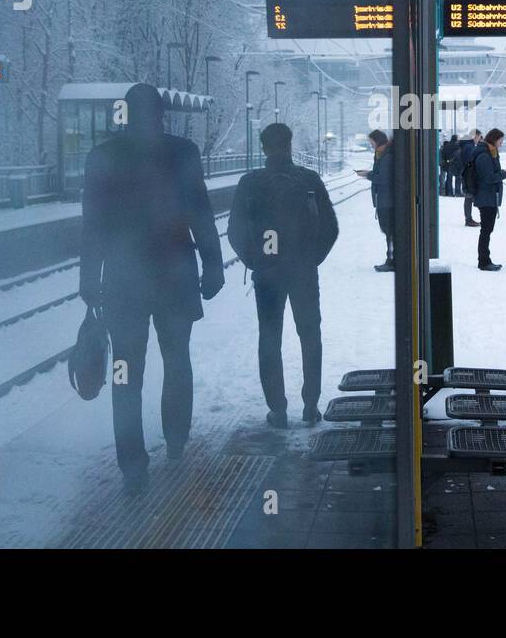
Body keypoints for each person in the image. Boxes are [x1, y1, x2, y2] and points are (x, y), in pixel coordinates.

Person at [79, 83, 225, 494]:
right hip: (175, 274)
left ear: (124, 113)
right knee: (177, 359)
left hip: (124, 280)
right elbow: (200, 210)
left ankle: (132, 463)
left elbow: (92, 224)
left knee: (126, 370)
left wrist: (89, 280)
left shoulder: (103, 156)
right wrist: (212, 264)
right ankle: (176, 439)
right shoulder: (183, 152)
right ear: (163, 115)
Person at [229, 123, 338, 428]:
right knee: (309, 335)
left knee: (269, 337)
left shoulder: (250, 182)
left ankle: (277, 409)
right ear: (290, 145)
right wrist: (311, 258)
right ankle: (311, 405)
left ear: (264, 148)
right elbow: (331, 228)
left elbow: (235, 230)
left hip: (267, 274)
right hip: (303, 272)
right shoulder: (309, 179)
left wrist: (255, 261)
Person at [470, 128, 506, 270]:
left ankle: (484, 259)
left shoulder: (491, 153)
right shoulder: (484, 155)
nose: (502, 143)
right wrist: (504, 173)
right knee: (486, 231)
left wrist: (501, 173)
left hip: (489, 197)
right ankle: (483, 261)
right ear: (494, 139)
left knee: (487, 230)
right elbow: (488, 178)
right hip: (486, 198)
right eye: (500, 140)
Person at [357, 129, 395, 271]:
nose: (370, 144)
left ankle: (391, 261)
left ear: (377, 140)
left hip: (387, 200)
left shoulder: (386, 157)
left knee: (389, 232)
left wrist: (368, 176)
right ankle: (391, 259)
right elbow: (380, 174)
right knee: (388, 232)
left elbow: (383, 178)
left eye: (371, 141)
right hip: (384, 200)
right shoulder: (381, 154)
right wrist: (369, 173)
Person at [459, 129, 482, 226]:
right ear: (474, 136)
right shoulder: (470, 147)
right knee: (469, 196)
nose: (480, 139)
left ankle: (468, 218)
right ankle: (468, 219)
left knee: (469, 196)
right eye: (479, 137)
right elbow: (470, 161)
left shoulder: (467, 145)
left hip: (467, 172)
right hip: (468, 174)